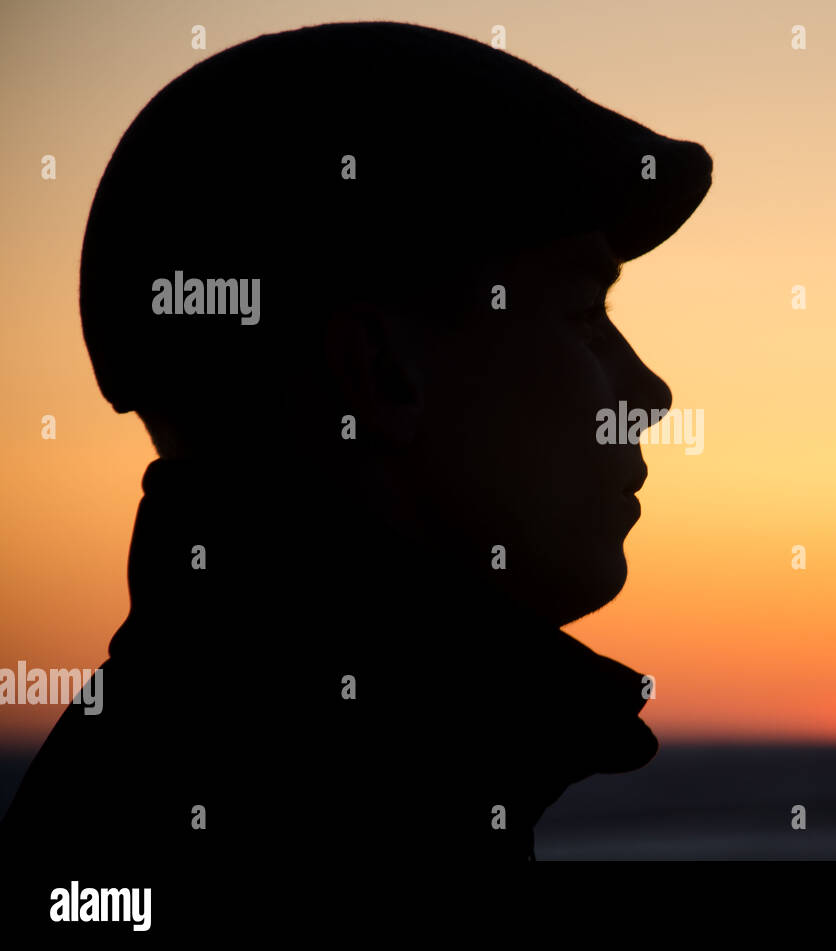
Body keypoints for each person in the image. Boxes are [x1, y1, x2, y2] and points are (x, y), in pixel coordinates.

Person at [0, 20, 711, 925]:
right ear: (379, 373)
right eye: (581, 313)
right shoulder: (328, 833)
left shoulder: (187, 778)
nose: (647, 390)